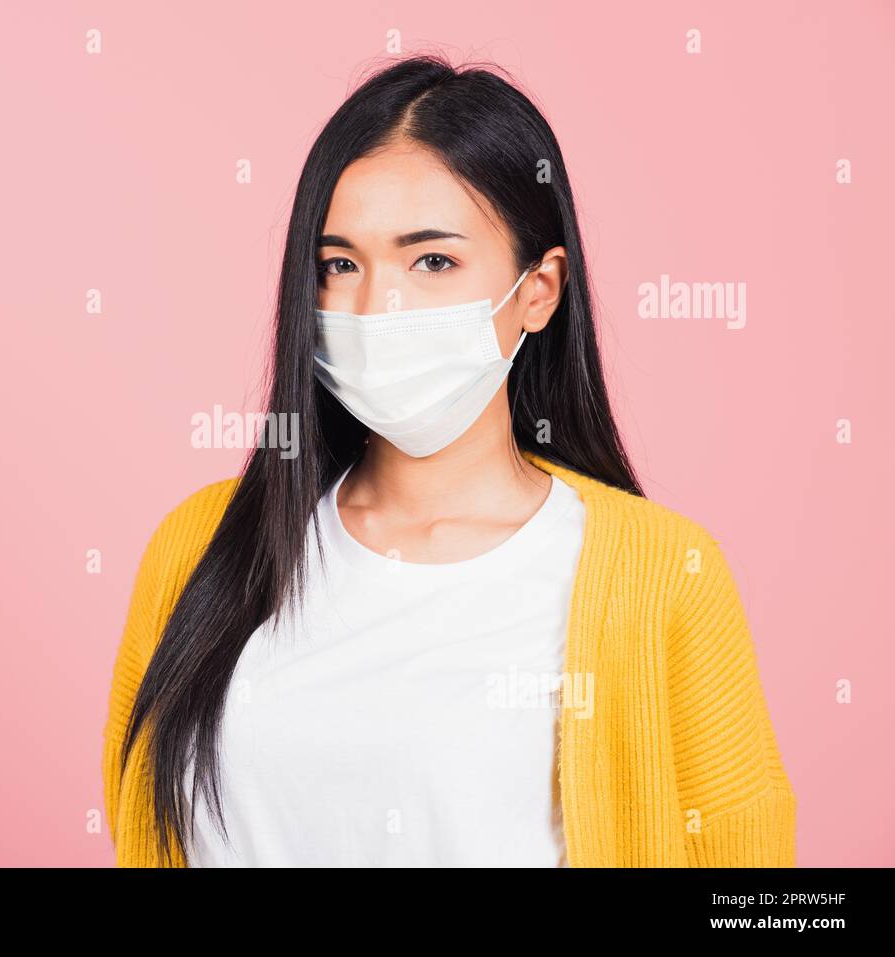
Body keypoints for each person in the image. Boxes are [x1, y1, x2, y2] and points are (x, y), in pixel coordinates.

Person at [103, 55, 795, 867]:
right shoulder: (199, 547)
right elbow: (142, 823)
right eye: (341, 265)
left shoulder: (661, 573)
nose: (376, 306)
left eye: (432, 261)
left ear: (539, 290)